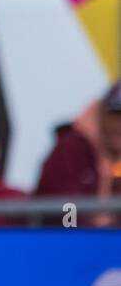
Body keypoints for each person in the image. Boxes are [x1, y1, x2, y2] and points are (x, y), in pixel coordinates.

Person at [35, 81, 121, 226]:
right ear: (101, 114)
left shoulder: (114, 160)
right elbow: (65, 219)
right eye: (116, 114)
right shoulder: (71, 151)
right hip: (67, 246)